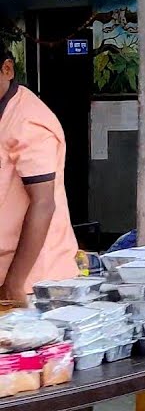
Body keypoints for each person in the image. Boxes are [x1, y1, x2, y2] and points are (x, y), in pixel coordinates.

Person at [0, 46, 78, 300]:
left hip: (32, 283)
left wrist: (13, 284)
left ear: (7, 69)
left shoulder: (28, 122)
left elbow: (43, 204)